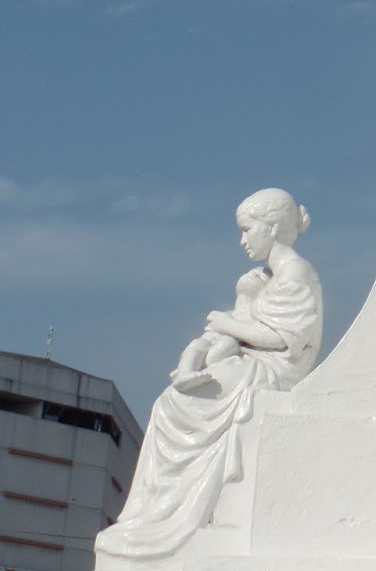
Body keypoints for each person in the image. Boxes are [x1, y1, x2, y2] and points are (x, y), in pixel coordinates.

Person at [95, 189, 322, 562]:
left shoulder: (297, 272)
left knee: (174, 405)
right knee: (173, 400)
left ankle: (168, 515)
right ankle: (153, 512)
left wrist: (227, 322)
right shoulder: (264, 276)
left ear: (274, 227)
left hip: (273, 370)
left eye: (248, 230)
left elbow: (285, 339)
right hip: (252, 361)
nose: (243, 240)